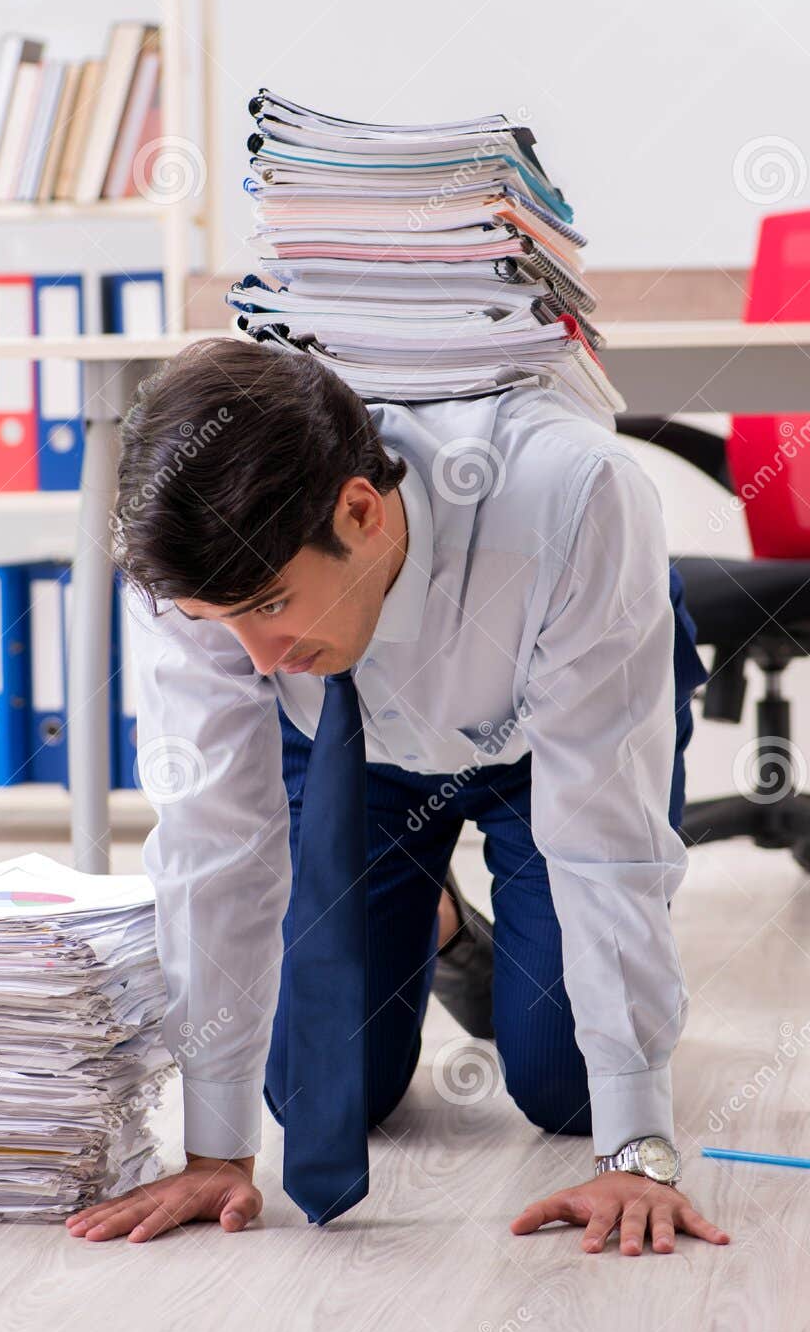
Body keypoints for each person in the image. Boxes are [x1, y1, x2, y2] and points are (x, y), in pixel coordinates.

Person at [65, 336, 730, 1258]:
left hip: (548, 740)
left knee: (565, 1085)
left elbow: (604, 835)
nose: (256, 661)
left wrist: (638, 1148)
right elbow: (215, 836)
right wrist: (214, 1149)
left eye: (268, 604)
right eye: (222, 624)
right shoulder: (190, 565)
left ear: (362, 512)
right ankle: (439, 924)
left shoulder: (576, 498)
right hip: (353, 754)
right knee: (322, 1088)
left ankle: (461, 937)